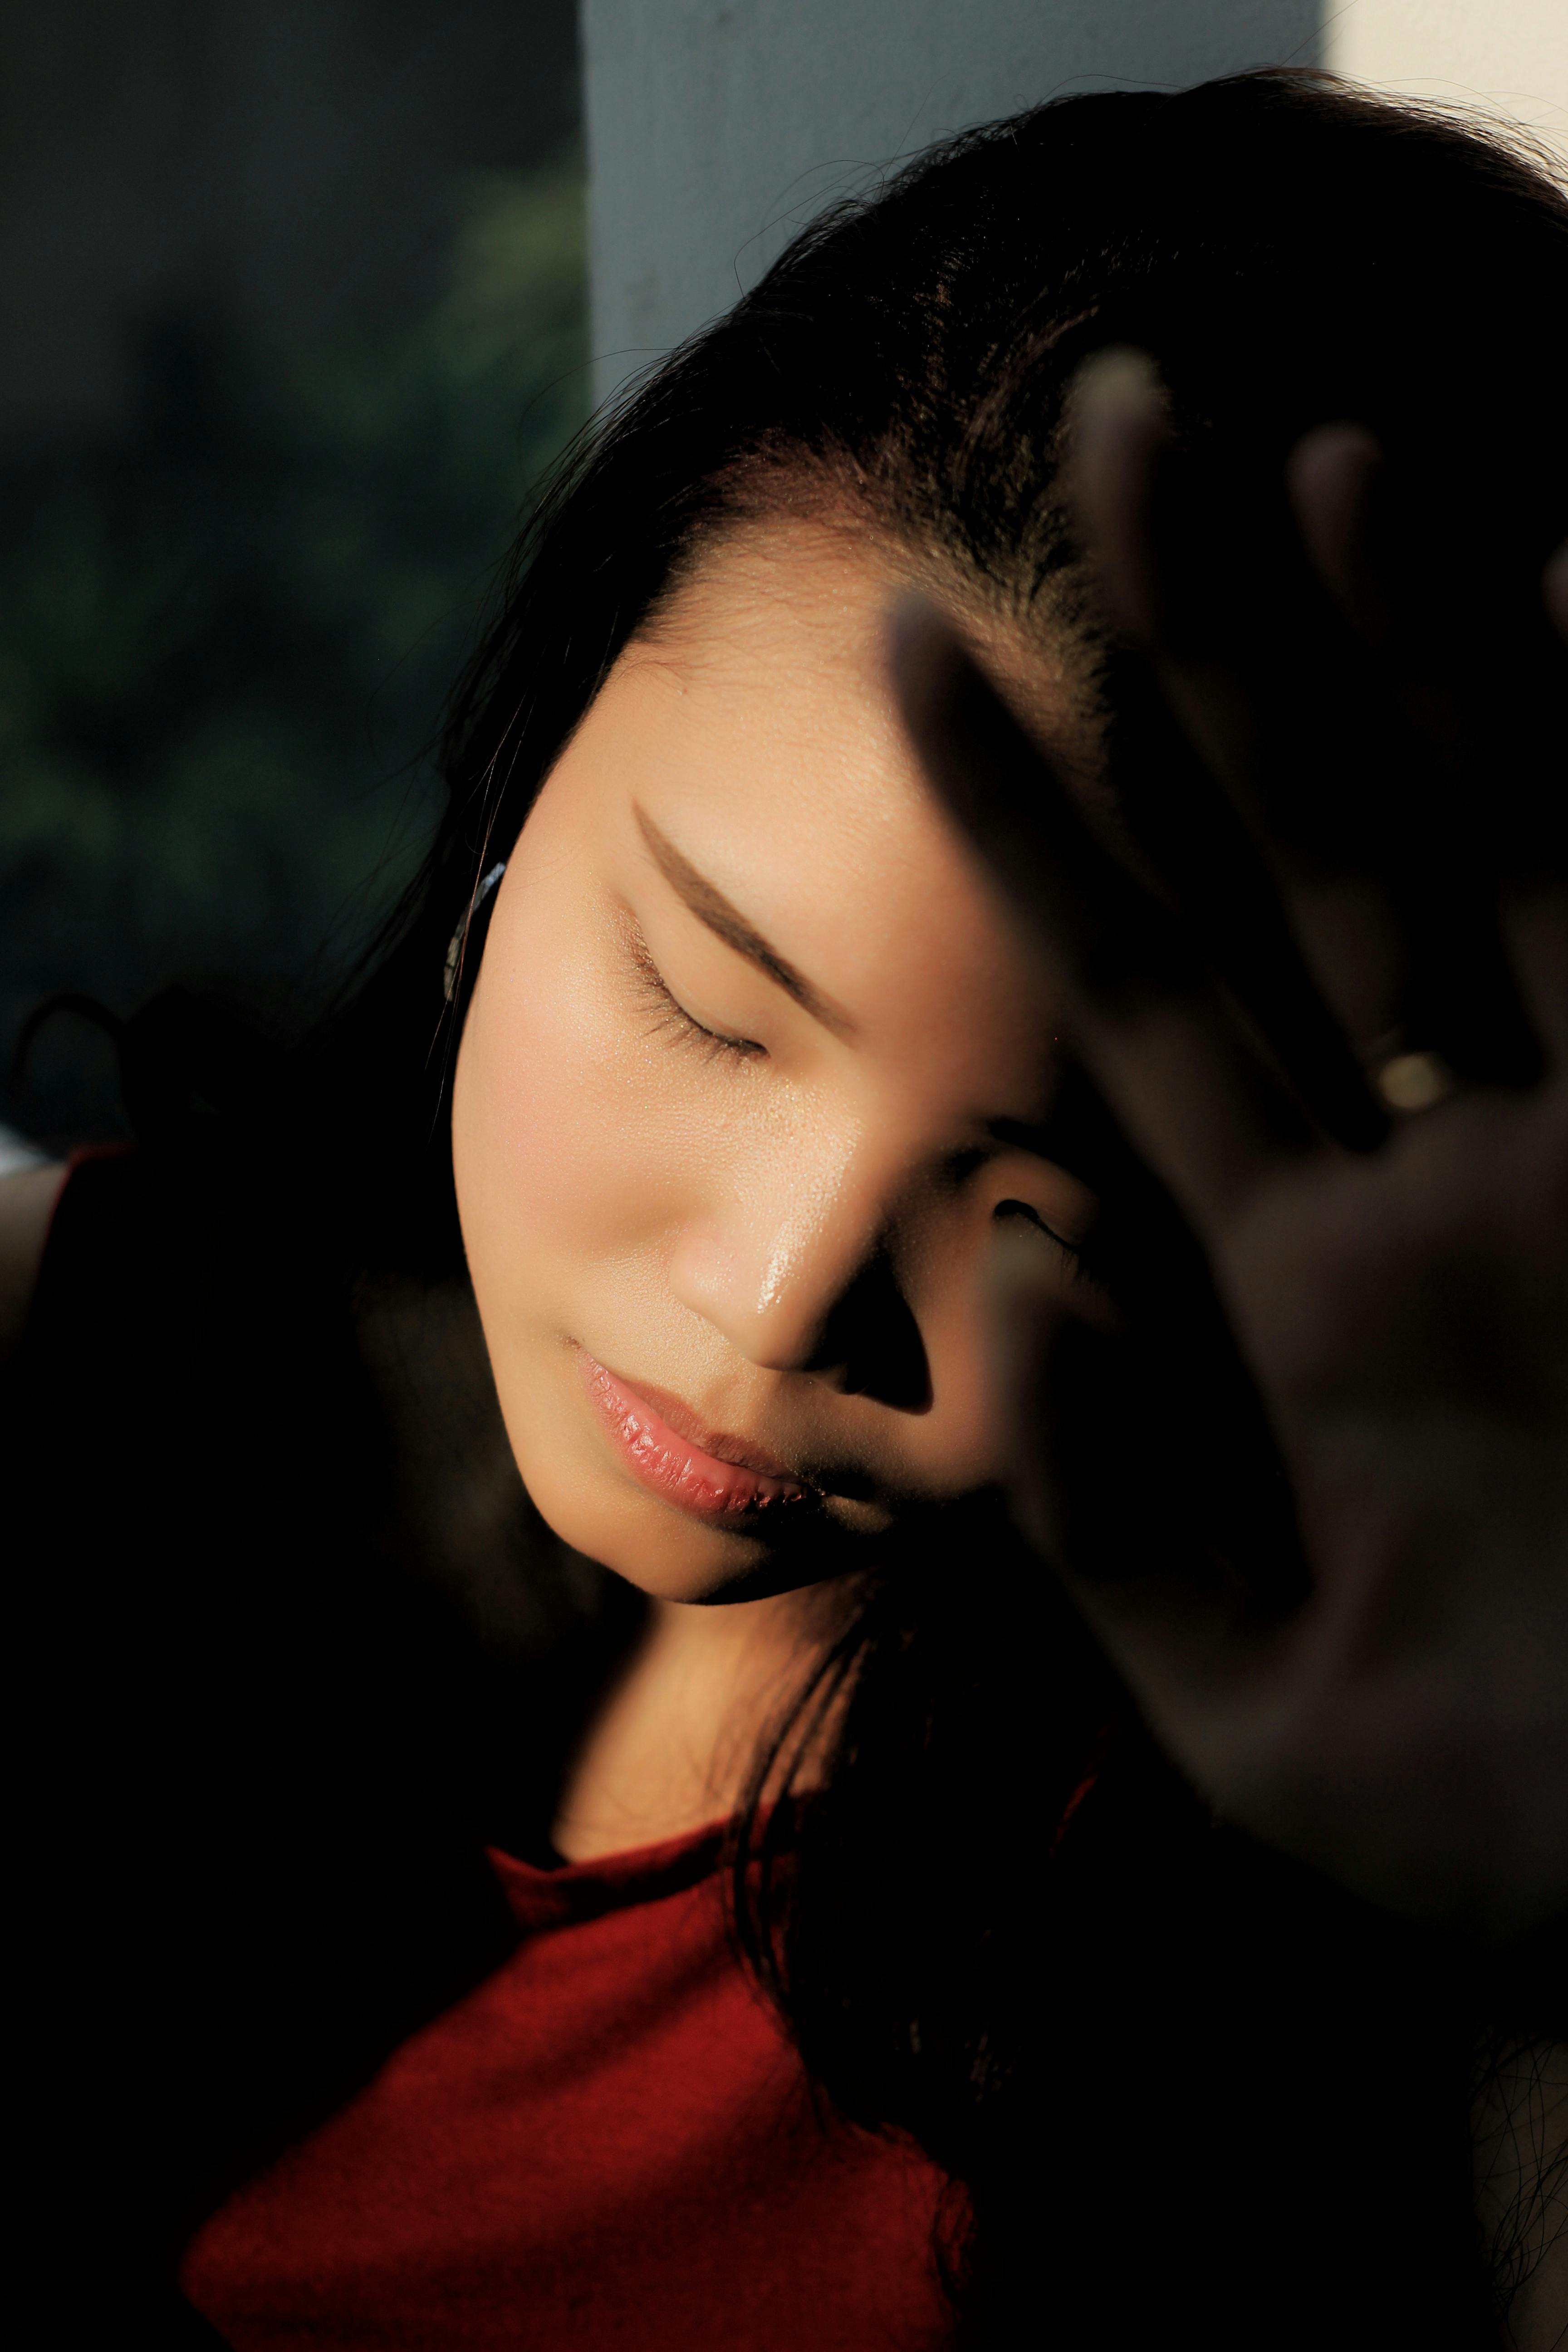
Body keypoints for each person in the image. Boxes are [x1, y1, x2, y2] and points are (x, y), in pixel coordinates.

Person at [3, 69, 1564, 2351]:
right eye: (710, 1003)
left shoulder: (1339, 1868)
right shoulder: (67, 1394)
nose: (781, 1299)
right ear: (539, 743)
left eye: (1062, 1205)